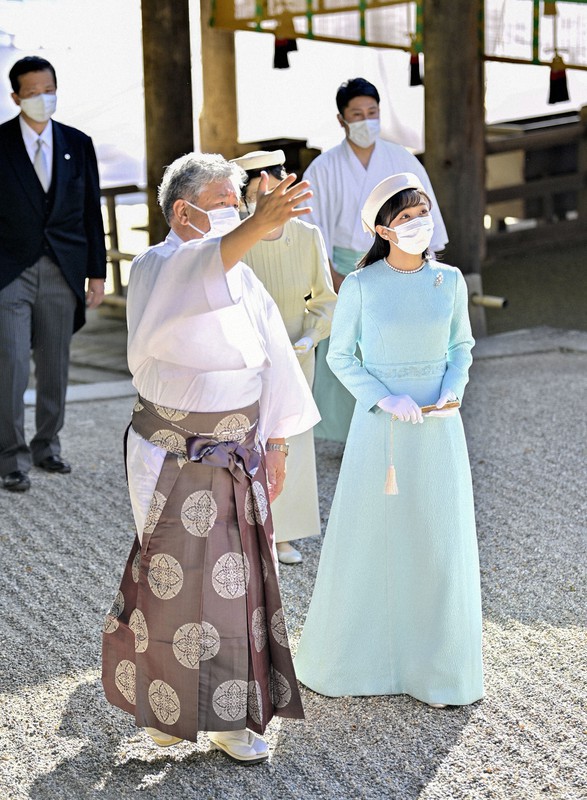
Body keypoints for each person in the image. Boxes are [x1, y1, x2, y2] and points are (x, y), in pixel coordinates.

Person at [102, 153, 320, 764]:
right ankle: (170, 713)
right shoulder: (158, 264)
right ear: (183, 210)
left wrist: (276, 443)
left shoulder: (242, 275)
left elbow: (273, 359)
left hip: (239, 450)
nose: (238, 211)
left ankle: (232, 716)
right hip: (171, 450)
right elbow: (198, 271)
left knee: (239, 580)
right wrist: (255, 225)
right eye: (227, 202)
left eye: (238, 203)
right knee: (175, 579)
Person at [295, 173, 483, 708]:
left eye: (423, 211)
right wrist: (380, 398)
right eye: (406, 217)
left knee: (437, 537)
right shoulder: (360, 285)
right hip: (382, 429)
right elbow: (340, 357)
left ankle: (439, 668)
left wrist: (453, 387)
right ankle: (361, 661)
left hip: (440, 424)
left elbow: (461, 345)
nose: (419, 222)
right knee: (373, 536)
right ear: (382, 228)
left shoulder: (449, 280)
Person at [304, 77, 448, 443]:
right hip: (342, 268)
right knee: (345, 346)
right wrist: (331, 277)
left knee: (395, 341)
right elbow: (310, 229)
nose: (367, 120)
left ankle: (407, 417)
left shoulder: (400, 158)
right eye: (357, 114)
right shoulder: (323, 167)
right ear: (342, 119)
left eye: (372, 112)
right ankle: (342, 433)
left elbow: (425, 217)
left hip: (400, 261)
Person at [0, 56, 106, 492]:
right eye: (32, 92)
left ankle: (48, 445)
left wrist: (97, 273)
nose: (43, 98)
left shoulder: (78, 143)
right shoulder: (2, 142)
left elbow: (90, 212)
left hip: (64, 268)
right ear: (15, 97)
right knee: (11, 363)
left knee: (55, 362)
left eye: (49, 89)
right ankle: (10, 456)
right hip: (10, 271)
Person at [231, 149, 336, 565]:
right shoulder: (236, 237)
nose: (265, 191)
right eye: (255, 185)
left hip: (296, 352)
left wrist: (311, 338)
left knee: (289, 439)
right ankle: (242, 532)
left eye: (271, 181)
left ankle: (284, 534)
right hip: (247, 355)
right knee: (243, 438)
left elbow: (325, 301)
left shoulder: (307, 236)